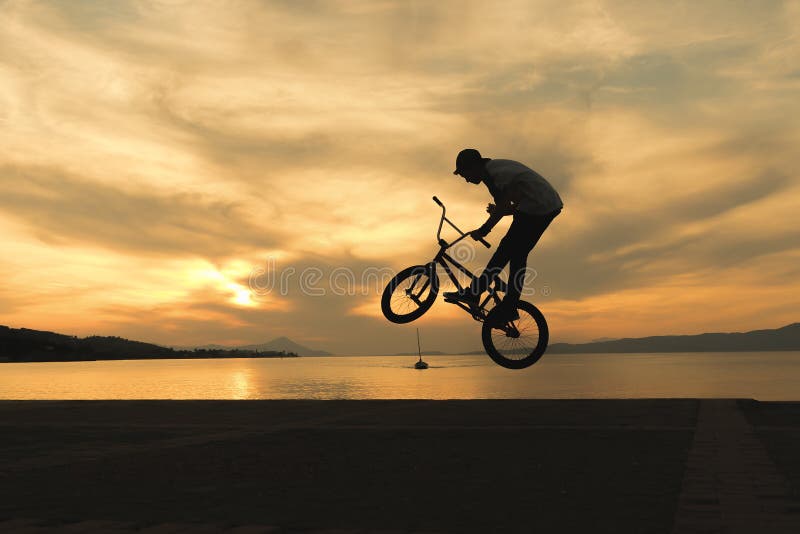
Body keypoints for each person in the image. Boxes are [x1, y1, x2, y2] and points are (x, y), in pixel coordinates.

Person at [443, 148, 563, 324]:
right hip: (539, 206)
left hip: (540, 208)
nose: (467, 180)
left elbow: (506, 204)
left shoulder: (495, 174)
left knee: (510, 252)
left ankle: (486, 297)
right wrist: (504, 210)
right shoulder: (493, 172)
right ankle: (496, 301)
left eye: (465, 174)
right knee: (513, 253)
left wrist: (484, 229)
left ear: (474, 166)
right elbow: (515, 198)